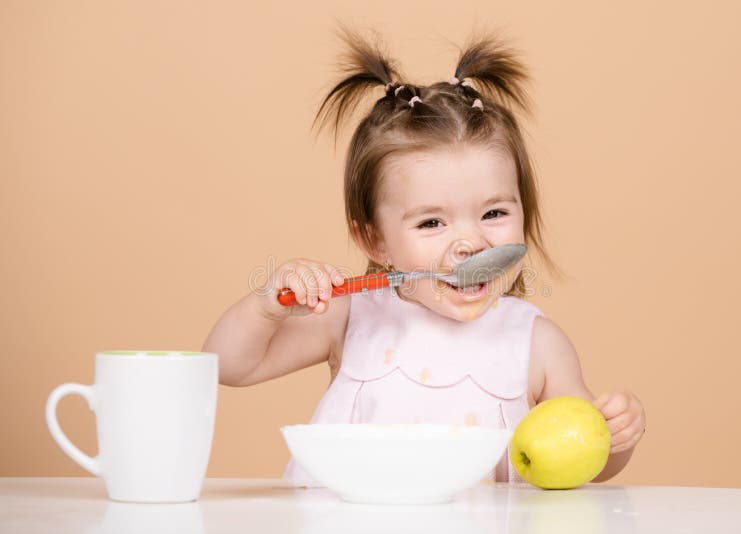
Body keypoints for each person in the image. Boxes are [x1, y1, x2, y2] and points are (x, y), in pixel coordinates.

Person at [202, 28, 646, 485]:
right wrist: (265, 308)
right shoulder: (351, 317)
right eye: (432, 223)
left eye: (493, 213)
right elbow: (228, 365)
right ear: (375, 241)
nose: (469, 243)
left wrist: (615, 438)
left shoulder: (537, 343)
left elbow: (580, 458)